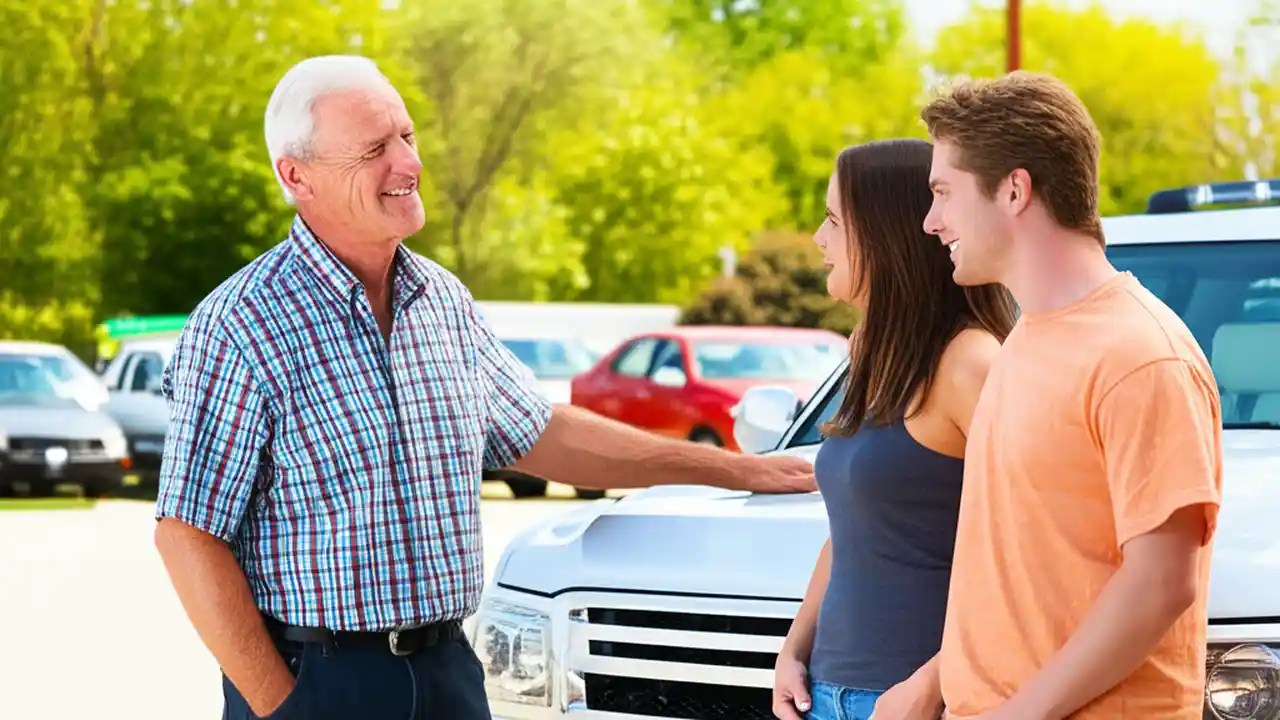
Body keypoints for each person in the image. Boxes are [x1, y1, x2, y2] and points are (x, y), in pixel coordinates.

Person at [153, 54, 815, 720]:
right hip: (317, 681)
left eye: (407, 137)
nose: (408, 165)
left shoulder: (442, 300)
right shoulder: (241, 324)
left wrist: (737, 471)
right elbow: (187, 534)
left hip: (449, 675)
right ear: (296, 177)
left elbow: (545, 435)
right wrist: (283, 707)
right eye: (374, 150)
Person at [906, 71, 1223, 719]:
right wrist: (935, 679)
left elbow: (1162, 583)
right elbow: (1031, 568)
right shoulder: (1028, 336)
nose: (931, 221)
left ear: (1015, 190)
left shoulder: (1139, 353)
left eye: (944, 192)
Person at [771, 139, 1018, 720]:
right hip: (824, 693)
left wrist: (934, 682)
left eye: (834, 220)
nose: (817, 238)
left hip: (928, 701)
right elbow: (852, 530)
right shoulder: (868, 354)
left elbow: (1025, 558)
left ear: (888, 237)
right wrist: (793, 649)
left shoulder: (970, 363)